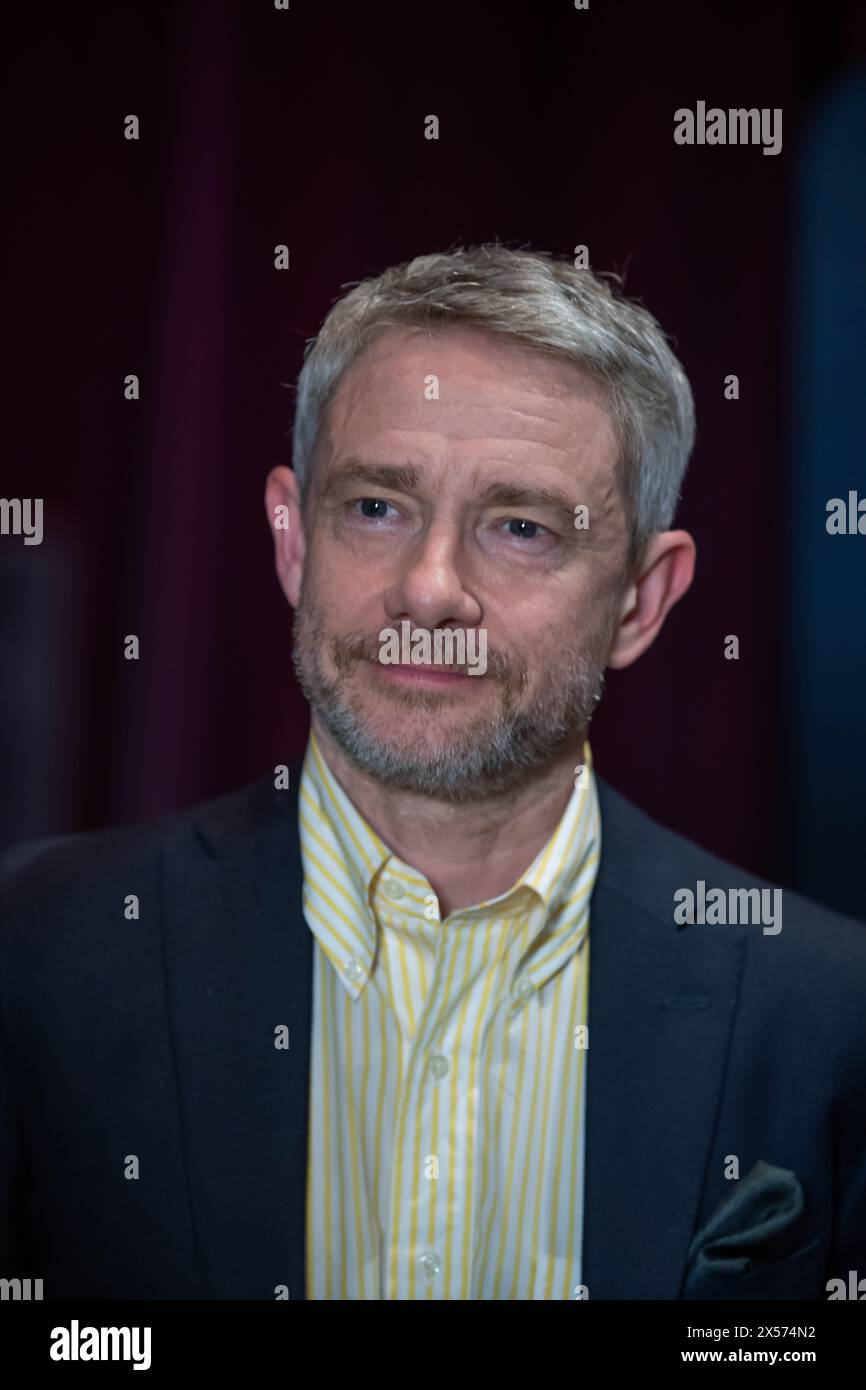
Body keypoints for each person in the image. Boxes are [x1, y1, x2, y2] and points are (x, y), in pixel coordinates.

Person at [2, 245, 865, 1301]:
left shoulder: (830, 1016)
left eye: (519, 527)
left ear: (641, 598)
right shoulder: (33, 951)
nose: (428, 591)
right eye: (375, 507)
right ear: (290, 538)